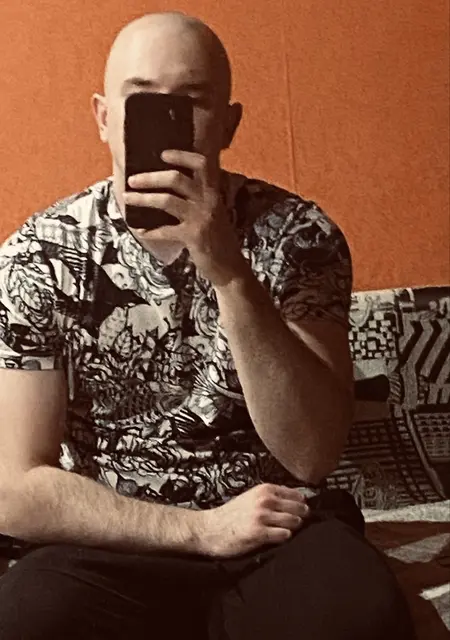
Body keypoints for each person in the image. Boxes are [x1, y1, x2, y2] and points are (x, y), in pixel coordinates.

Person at [0, 11, 415, 640]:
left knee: (361, 615)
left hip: (275, 529)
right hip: (115, 535)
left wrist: (229, 272)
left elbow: (311, 455)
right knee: (22, 619)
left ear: (229, 123)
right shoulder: (39, 257)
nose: (166, 120)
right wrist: (202, 531)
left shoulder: (300, 237)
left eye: (190, 102)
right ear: (103, 118)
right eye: (141, 99)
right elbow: (15, 487)